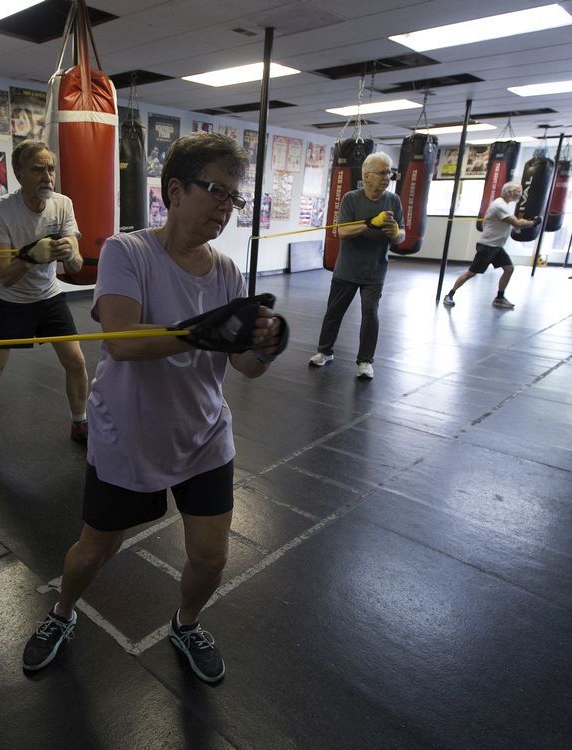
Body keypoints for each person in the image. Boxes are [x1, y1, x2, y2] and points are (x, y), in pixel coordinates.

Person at [20, 132, 286, 682]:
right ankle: (61, 613)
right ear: (175, 191)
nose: (224, 206)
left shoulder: (229, 272)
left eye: (233, 197)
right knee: (94, 553)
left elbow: (242, 368)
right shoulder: (128, 251)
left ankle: (186, 623)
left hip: (205, 435)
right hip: (131, 435)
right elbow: (121, 340)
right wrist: (200, 332)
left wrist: (264, 349)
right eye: (215, 190)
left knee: (212, 557)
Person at [0, 140, 89, 463]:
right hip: (10, 299)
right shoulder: (0, 210)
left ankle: (80, 423)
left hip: (50, 297)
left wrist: (71, 253)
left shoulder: (63, 205)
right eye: (38, 169)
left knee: (77, 362)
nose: (47, 176)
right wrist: (32, 256)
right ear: (19, 174)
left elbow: (78, 265)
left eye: (50, 168)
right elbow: (6, 274)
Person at [308, 152, 405, 379]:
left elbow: (401, 236)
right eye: (382, 173)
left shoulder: (394, 201)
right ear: (367, 175)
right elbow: (342, 231)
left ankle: (365, 361)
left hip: (375, 269)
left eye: (389, 173)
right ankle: (325, 351)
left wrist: (396, 234)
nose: (387, 177)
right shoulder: (351, 199)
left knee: (370, 314)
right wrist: (371, 224)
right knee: (334, 311)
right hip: (347, 268)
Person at [442, 181, 537, 310]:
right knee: (471, 273)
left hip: (497, 247)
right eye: (518, 191)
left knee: (509, 269)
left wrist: (528, 223)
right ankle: (450, 294)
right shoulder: (499, 205)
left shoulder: (505, 205)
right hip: (487, 246)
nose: (521, 194)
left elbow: (516, 224)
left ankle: (499, 297)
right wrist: (534, 222)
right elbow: (518, 224)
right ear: (509, 192)